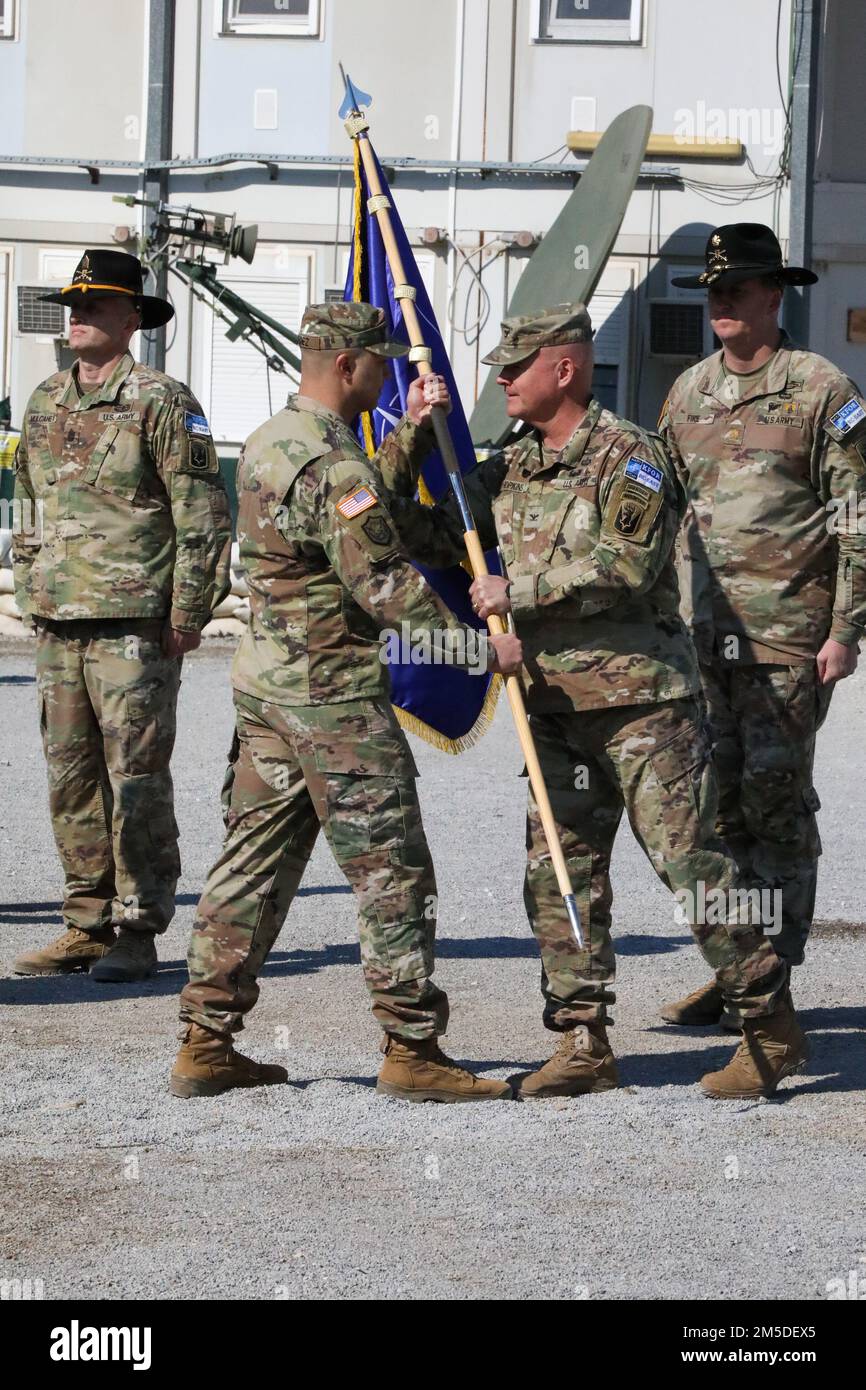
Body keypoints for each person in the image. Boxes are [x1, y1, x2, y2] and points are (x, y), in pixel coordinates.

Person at [381, 303, 804, 1102]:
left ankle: (769, 1021)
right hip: (552, 707)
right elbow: (416, 534)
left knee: (692, 867)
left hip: (641, 705)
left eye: (517, 366)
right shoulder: (511, 465)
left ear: (565, 368)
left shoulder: (630, 455)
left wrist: (517, 590)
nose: (503, 381)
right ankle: (582, 1040)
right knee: (559, 876)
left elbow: (627, 566)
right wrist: (412, 435)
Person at [171, 302, 522, 1102]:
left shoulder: (270, 441)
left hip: (267, 691)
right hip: (335, 705)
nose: (388, 376)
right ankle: (412, 1048)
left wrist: (412, 436)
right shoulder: (335, 468)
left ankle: (204, 1041)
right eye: (381, 364)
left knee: (250, 867)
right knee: (393, 875)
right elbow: (388, 586)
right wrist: (482, 652)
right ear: (347, 365)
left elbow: (362, 519)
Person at [657, 224, 865, 1028]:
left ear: (774, 296)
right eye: (713, 290)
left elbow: (856, 518)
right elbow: (658, 512)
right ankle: (740, 966)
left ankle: (776, 977)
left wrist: (845, 629)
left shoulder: (821, 390)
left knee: (774, 802)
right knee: (717, 810)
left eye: (736, 289)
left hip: (788, 641)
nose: (721, 302)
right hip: (703, 637)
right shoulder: (688, 393)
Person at [12, 250, 231, 984]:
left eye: (95, 305)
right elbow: (28, 502)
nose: (78, 316)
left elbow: (202, 512)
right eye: (73, 305)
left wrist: (189, 608)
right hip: (59, 618)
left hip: (134, 622)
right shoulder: (45, 399)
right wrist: (29, 583)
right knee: (70, 776)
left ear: (132, 318)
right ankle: (85, 922)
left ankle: (138, 928)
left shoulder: (160, 400)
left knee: (135, 778)